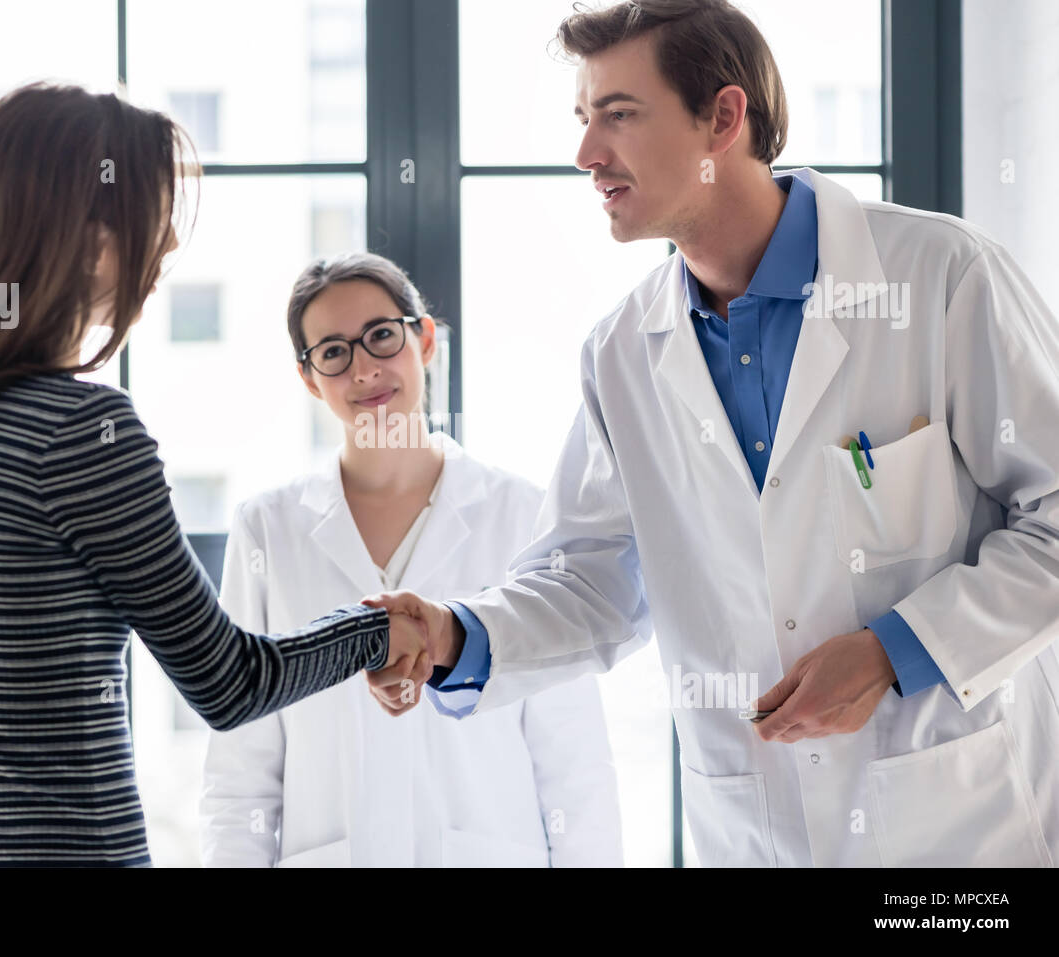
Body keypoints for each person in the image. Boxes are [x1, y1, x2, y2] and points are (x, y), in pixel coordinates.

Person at [368, 0, 1059, 867]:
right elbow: (592, 582)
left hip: (962, 833)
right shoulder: (622, 352)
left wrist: (895, 651)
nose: (587, 154)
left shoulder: (941, 277)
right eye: (585, 120)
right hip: (756, 830)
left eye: (618, 115)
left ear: (723, 118)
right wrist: (455, 636)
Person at [0, 83, 428, 867]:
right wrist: (379, 629)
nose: (161, 255)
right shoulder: (82, 431)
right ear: (95, 238)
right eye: (151, 227)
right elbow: (229, 682)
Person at [199, 253, 623, 867]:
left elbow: (575, 762)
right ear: (310, 378)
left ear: (424, 339)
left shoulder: (521, 513)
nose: (365, 368)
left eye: (381, 336)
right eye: (334, 352)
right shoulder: (267, 528)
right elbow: (240, 776)